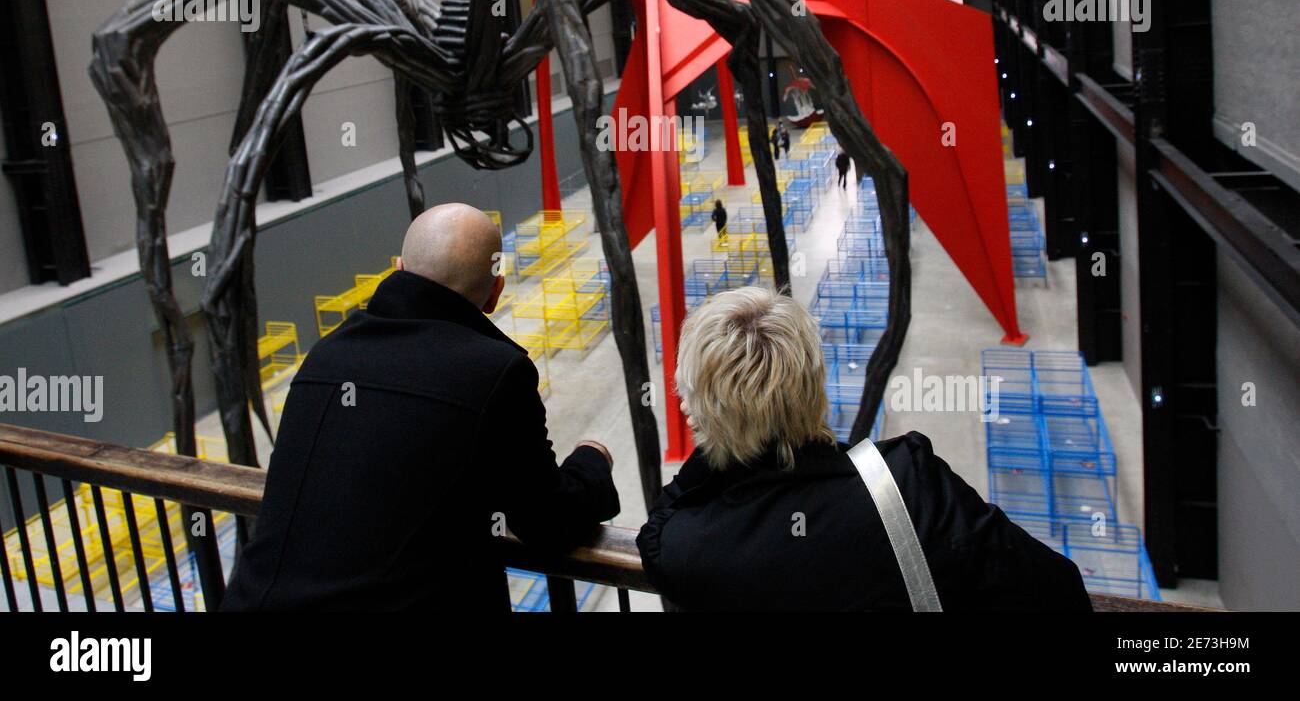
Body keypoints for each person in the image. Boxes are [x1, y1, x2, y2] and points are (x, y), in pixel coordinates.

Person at [222, 203, 619, 611]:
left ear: (398, 267)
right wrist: (592, 459)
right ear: (495, 293)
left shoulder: (326, 354)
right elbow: (548, 521)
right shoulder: (495, 372)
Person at [637, 288, 1092, 612]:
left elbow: (657, 525)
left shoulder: (688, 547)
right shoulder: (906, 484)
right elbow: (1058, 589)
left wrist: (719, 441)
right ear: (813, 384)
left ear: (703, 414)